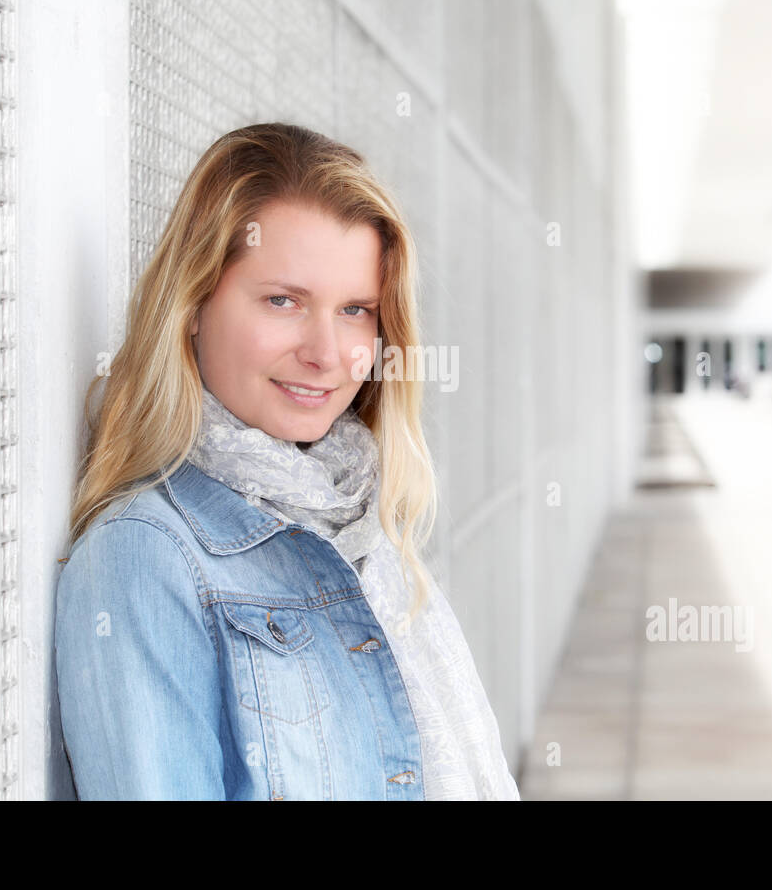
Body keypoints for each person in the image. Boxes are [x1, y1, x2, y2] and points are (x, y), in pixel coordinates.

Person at [54, 122, 520, 800]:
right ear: (192, 303)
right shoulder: (145, 558)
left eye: (356, 310)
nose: (327, 353)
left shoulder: (357, 518)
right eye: (284, 301)